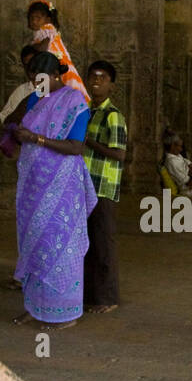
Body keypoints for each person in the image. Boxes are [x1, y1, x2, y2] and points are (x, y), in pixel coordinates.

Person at [10, 52, 96, 328]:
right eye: (31, 79)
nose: (36, 84)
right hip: (33, 188)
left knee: (61, 247)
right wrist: (15, 130)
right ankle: (35, 307)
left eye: (40, 79)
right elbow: (12, 121)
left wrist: (36, 138)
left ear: (57, 76)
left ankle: (64, 312)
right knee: (34, 244)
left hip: (62, 188)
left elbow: (75, 147)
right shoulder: (35, 97)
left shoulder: (75, 101)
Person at [81, 60, 127, 315]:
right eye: (93, 77)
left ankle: (108, 297)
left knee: (103, 242)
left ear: (111, 85)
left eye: (102, 77)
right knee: (87, 242)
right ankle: (91, 295)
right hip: (85, 185)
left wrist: (89, 143)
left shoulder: (113, 116)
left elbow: (119, 154)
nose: (96, 81)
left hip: (103, 186)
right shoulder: (87, 111)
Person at [26, 0, 87, 96]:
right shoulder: (47, 30)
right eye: (31, 18)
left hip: (57, 68)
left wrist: (33, 48)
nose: (34, 21)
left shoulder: (46, 29)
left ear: (48, 20)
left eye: (38, 18)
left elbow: (43, 48)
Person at [0, 44, 40, 124]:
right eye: (26, 65)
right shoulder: (21, 91)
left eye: (33, 63)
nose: (30, 67)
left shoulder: (52, 89)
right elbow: (5, 119)